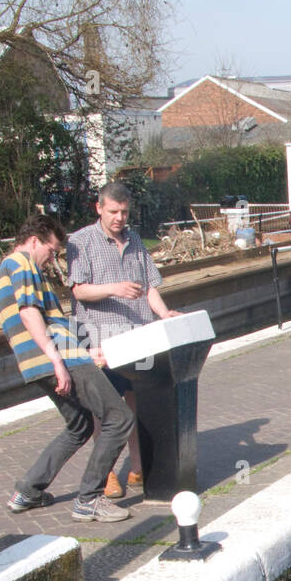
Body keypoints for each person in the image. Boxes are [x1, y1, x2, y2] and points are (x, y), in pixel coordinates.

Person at [0, 214, 133, 522]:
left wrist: (84, 350)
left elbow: (47, 322)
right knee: (119, 416)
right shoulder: (22, 263)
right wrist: (59, 360)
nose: (51, 259)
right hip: (59, 360)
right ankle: (90, 499)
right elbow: (30, 313)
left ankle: (28, 491)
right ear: (34, 241)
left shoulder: (5, 271)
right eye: (51, 250)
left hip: (40, 363)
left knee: (80, 425)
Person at [66, 181, 180, 498]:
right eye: (114, 211)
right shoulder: (81, 242)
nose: (119, 218)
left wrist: (163, 313)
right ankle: (105, 475)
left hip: (138, 336)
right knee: (104, 408)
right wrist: (115, 288)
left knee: (137, 401)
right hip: (101, 337)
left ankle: (138, 469)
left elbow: (150, 286)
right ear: (99, 208)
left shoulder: (135, 241)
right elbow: (78, 290)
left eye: (125, 212)